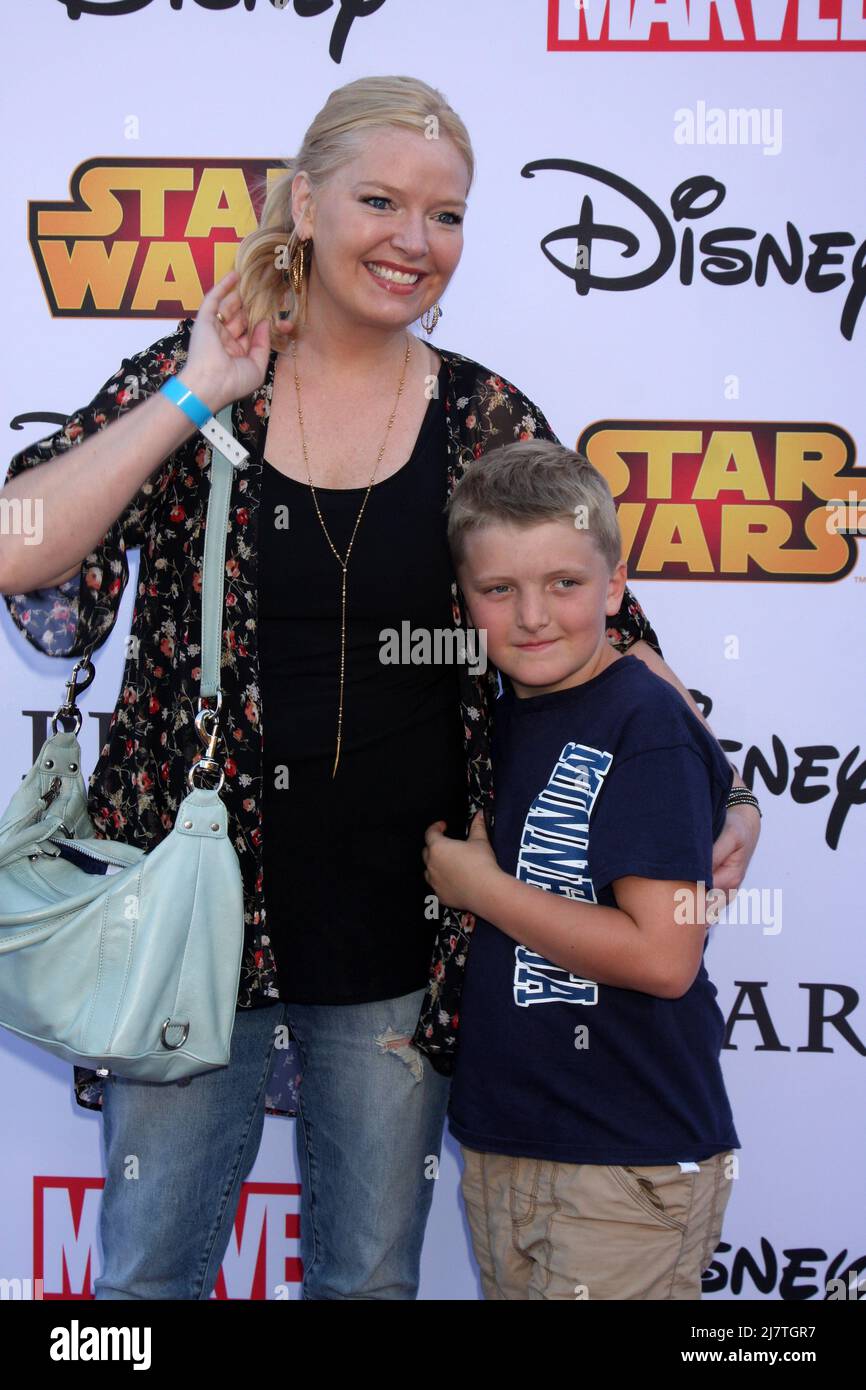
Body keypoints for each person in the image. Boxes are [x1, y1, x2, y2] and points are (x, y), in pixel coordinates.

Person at [0, 75, 759, 1301]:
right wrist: (195, 393)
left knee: (367, 1280)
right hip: (189, 920)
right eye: (379, 201)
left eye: (446, 215)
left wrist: (722, 796)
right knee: (149, 1281)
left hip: (406, 937)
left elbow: (609, 631)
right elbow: (19, 544)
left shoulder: (482, 418)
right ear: (302, 203)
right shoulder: (200, 375)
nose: (414, 241)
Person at [424, 439, 744, 1301]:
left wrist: (482, 890)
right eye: (499, 590)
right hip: (508, 1141)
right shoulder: (495, 717)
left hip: (626, 1161)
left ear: (614, 587)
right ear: (465, 601)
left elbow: (663, 957)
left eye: (564, 584)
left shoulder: (646, 721)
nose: (533, 616)